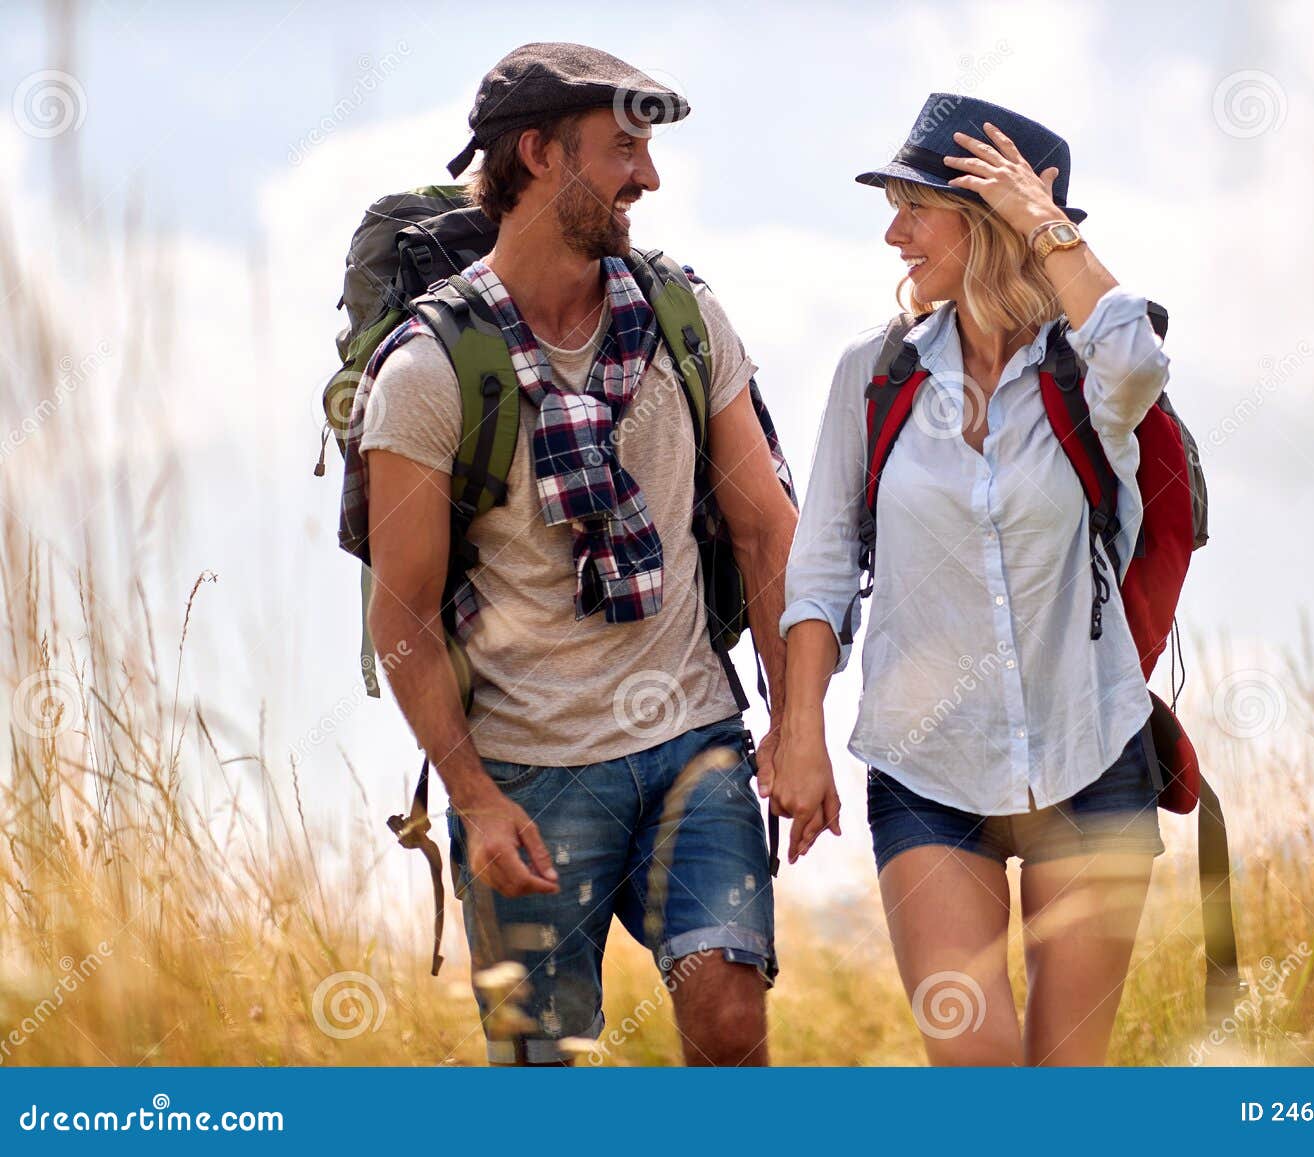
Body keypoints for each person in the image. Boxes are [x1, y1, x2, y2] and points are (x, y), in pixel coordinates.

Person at [358, 43, 796, 1066]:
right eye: (623, 149)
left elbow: (765, 527)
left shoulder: (682, 319)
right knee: (550, 1070)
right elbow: (404, 616)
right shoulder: (426, 373)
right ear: (538, 156)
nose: (647, 175)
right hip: (526, 773)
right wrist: (471, 793)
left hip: (692, 738)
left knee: (730, 1016)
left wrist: (793, 716)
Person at [772, 93, 1170, 1065]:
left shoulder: (1084, 370)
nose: (892, 233)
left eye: (916, 206)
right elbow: (821, 566)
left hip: (1092, 751)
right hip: (927, 767)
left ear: (986, 221)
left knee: (1065, 1084)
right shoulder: (874, 373)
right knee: (978, 1066)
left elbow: (1138, 354)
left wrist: (1045, 223)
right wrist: (801, 729)